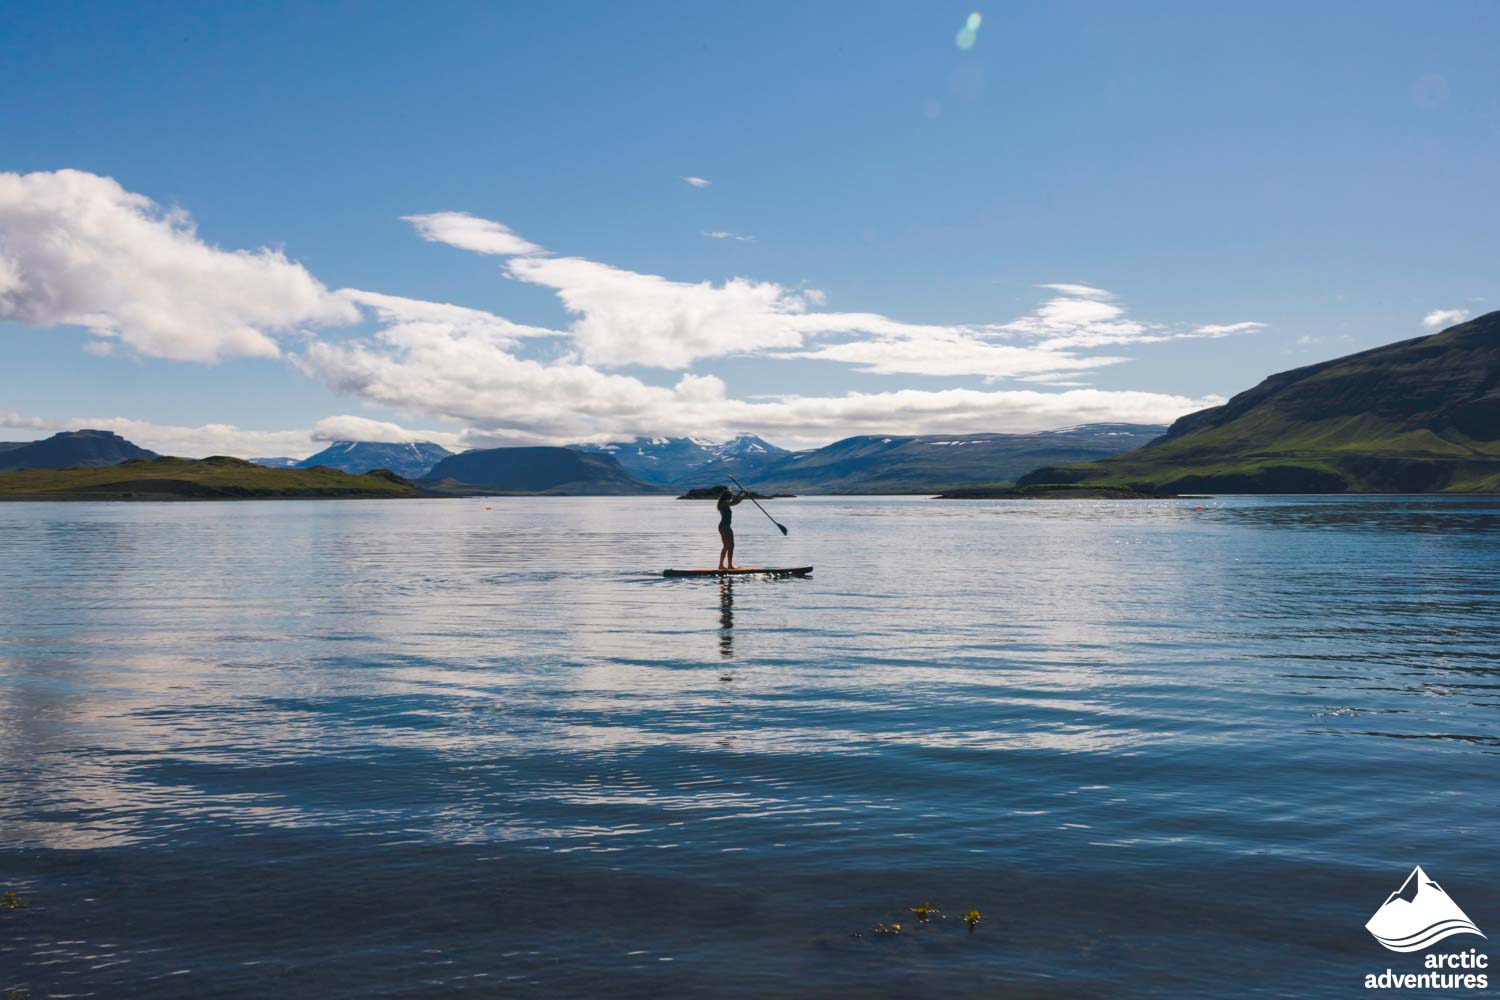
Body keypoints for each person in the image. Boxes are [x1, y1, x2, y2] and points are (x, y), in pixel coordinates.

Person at [716, 486, 746, 570]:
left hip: (723, 526)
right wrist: (741, 494)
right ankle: (730, 565)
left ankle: (721, 565)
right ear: (727, 496)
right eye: (730, 495)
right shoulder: (724, 503)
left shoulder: (724, 503)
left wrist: (742, 496)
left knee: (726, 546)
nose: (731, 497)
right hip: (725, 526)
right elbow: (734, 502)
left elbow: (735, 501)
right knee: (731, 545)